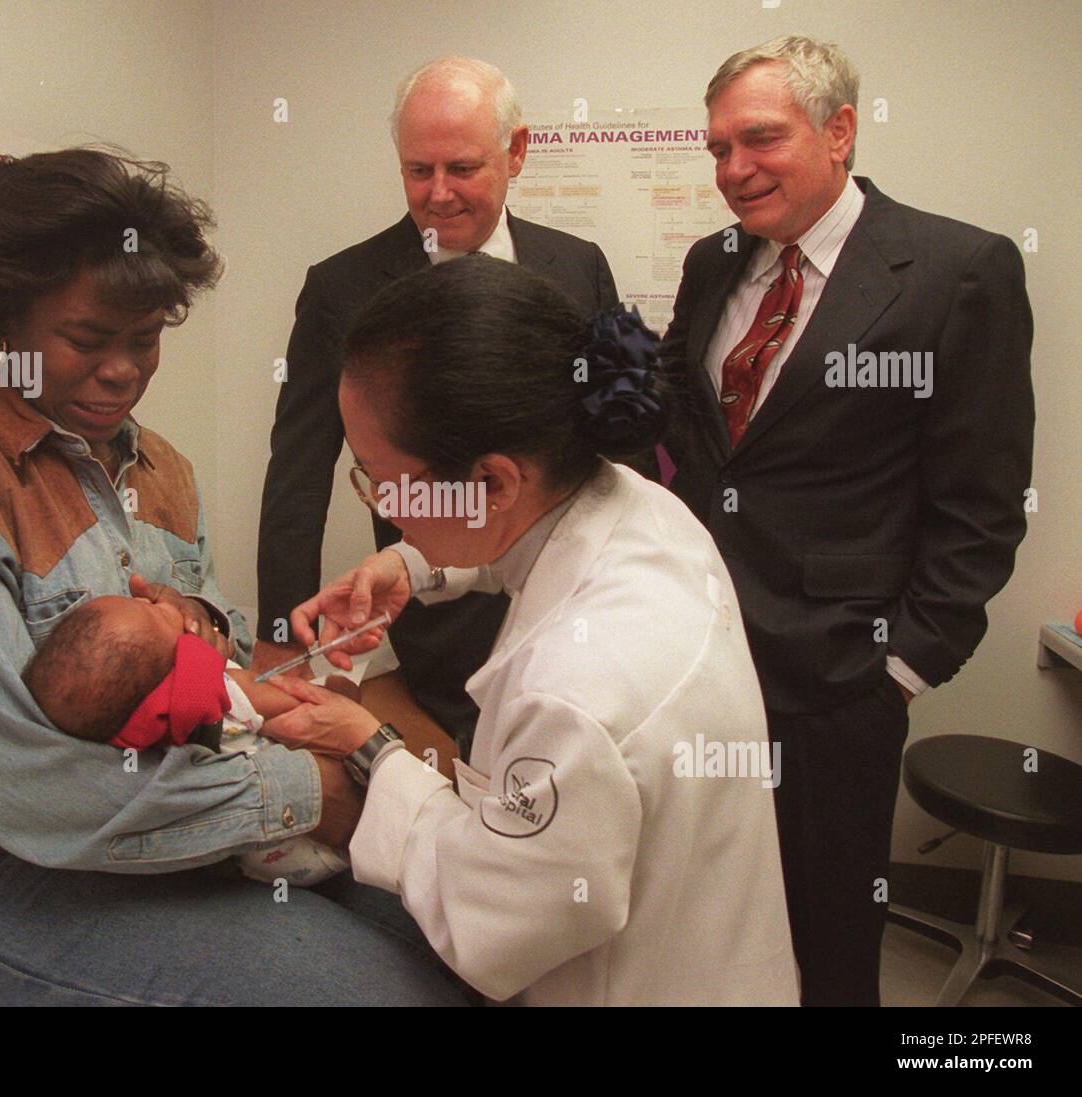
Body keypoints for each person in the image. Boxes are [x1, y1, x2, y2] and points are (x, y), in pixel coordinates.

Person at [0, 148, 472, 1006]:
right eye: (86, 340)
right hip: (20, 857)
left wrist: (296, 686)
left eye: (146, 342)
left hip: (189, 804)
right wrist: (305, 793)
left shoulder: (162, 469)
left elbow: (211, 671)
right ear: (6, 325)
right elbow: (25, 790)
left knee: (465, 941)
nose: (123, 371)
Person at [258, 256, 798, 1005]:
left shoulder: (577, 695)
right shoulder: (639, 508)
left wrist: (371, 749)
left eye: (380, 479)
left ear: (491, 481)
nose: (379, 502)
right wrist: (409, 566)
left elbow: (490, 927)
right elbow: (525, 546)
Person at [660, 36, 1034, 1005]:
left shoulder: (956, 272)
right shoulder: (714, 265)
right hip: (696, 660)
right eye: (716, 149)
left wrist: (899, 672)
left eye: (758, 140)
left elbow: (982, 507)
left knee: (825, 942)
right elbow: (686, 435)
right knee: (703, 919)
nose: (733, 171)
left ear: (838, 132)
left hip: (834, 685)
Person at [255, 56, 639, 754]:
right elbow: (299, 473)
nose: (437, 194)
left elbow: (614, 442)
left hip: (574, 605)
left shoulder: (577, 265)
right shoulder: (343, 288)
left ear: (516, 152)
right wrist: (277, 639)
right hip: (437, 623)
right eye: (416, 171)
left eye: (461, 169)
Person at [21, 593, 358, 885]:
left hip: (251, 861)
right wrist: (341, 690)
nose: (143, 599)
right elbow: (304, 702)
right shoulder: (214, 686)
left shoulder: (136, 729)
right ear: (178, 668)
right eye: (154, 613)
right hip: (310, 838)